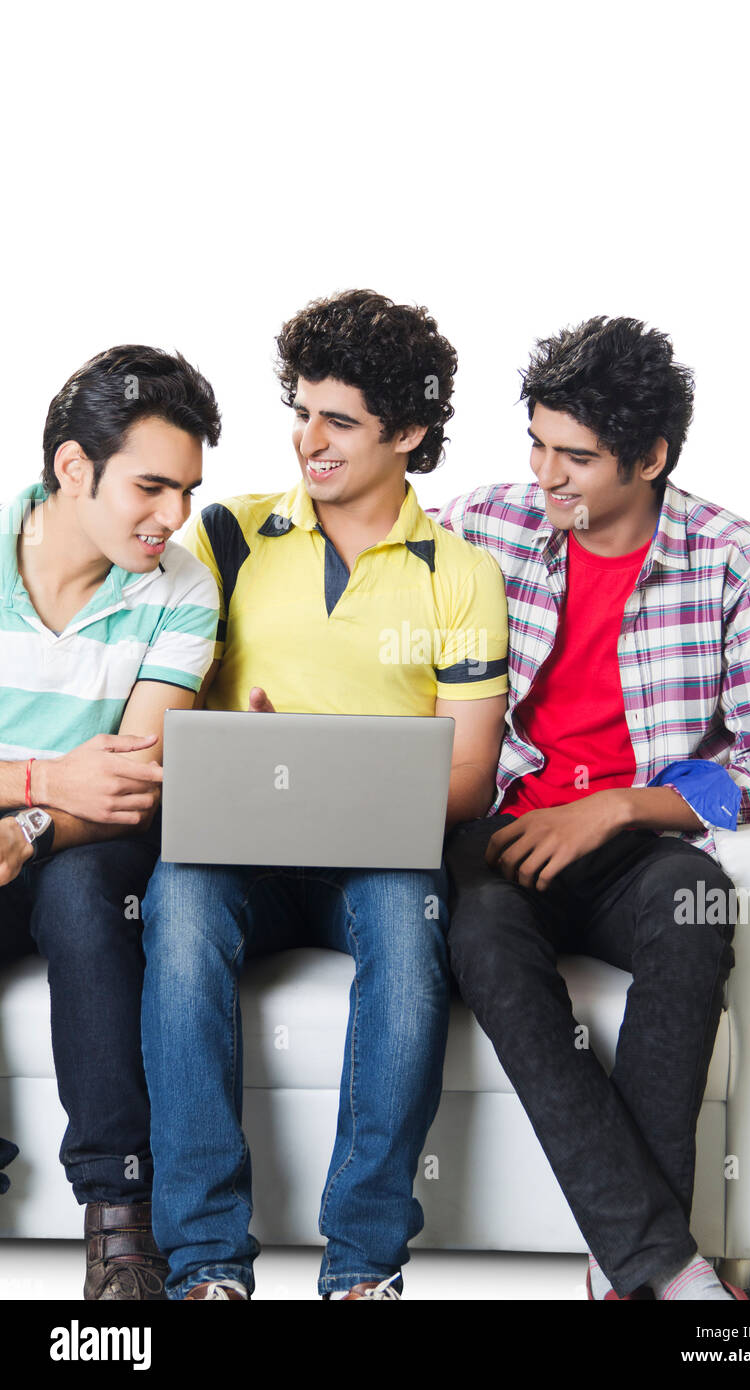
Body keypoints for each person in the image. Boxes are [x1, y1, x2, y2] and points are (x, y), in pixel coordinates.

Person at [139, 289, 509, 1300]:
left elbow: (470, 775)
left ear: (409, 430)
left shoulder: (461, 574)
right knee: (176, 908)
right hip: (234, 846)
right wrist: (242, 753)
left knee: (406, 924)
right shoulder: (228, 534)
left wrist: (342, 775)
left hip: (379, 856)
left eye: (338, 420)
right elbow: (157, 702)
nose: (309, 439)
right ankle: (206, 1262)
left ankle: (362, 1266)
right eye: (300, 411)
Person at [438, 315, 750, 1301]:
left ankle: (629, 1265)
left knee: (695, 914)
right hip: (500, 831)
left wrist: (616, 809)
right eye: (534, 442)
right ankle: (658, 1268)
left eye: (576, 457)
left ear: (649, 457)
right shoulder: (478, 524)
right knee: (478, 934)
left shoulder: (730, 555)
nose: (544, 476)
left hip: (635, 838)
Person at [0, 346, 221, 1298]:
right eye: (152, 487)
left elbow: (133, 784)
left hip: (86, 852)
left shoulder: (181, 586)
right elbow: (88, 774)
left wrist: (28, 824)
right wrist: (48, 775)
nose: (174, 518)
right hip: (39, 814)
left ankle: (121, 1221)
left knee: (90, 895)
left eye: (188, 490)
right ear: (71, 469)